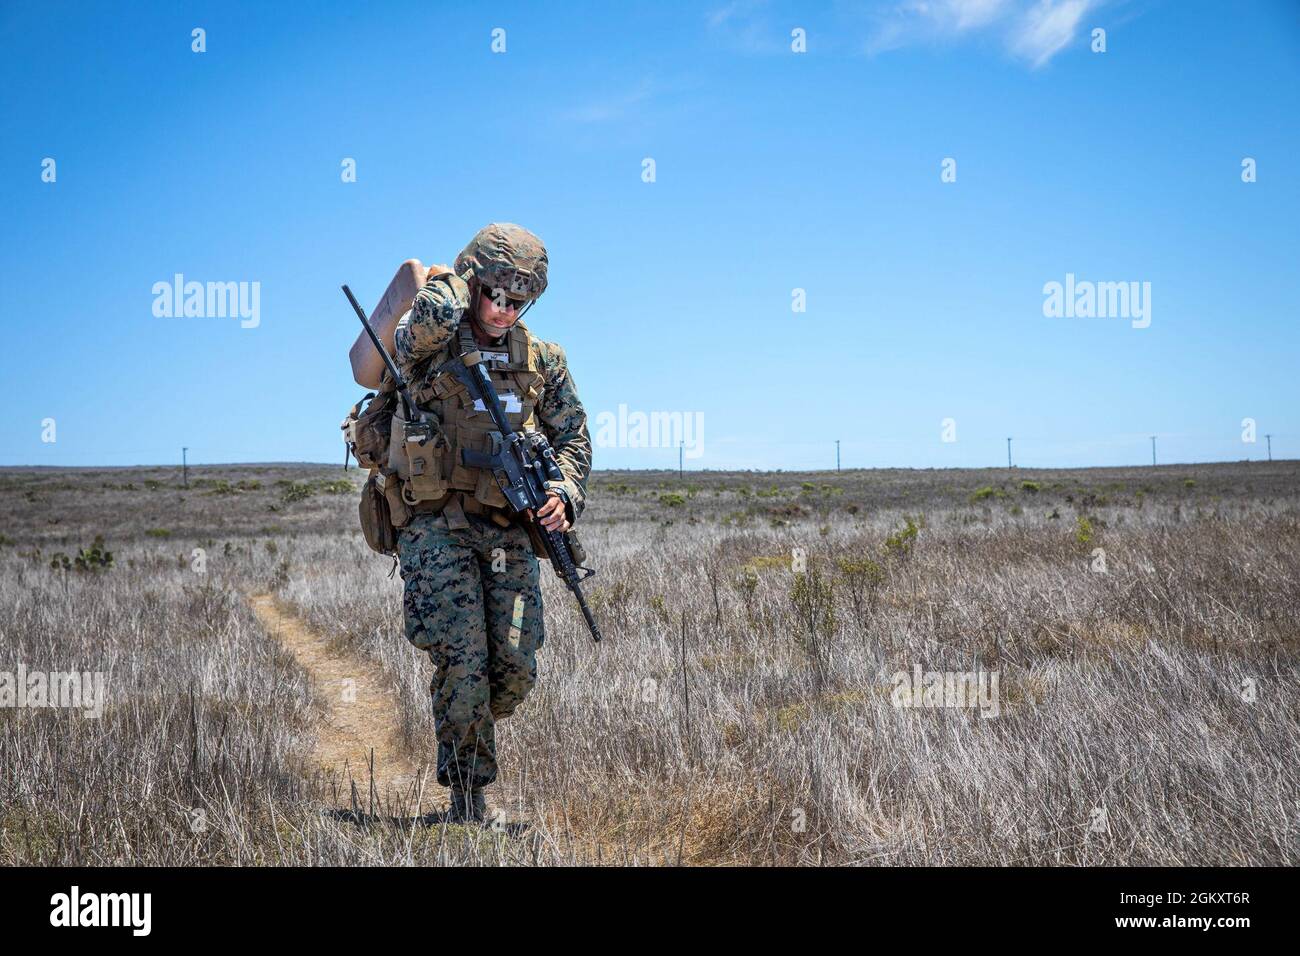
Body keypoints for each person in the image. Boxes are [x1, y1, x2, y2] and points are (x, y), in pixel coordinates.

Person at [390, 222, 592, 824]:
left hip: (508, 528)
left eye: (518, 300)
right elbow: (405, 342)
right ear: (473, 282)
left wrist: (563, 492)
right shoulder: (435, 339)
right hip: (436, 522)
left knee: (515, 664)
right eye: (493, 295)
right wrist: (446, 289)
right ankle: (466, 798)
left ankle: (467, 714)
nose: (503, 310)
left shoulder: (543, 359)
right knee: (463, 653)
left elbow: (573, 434)